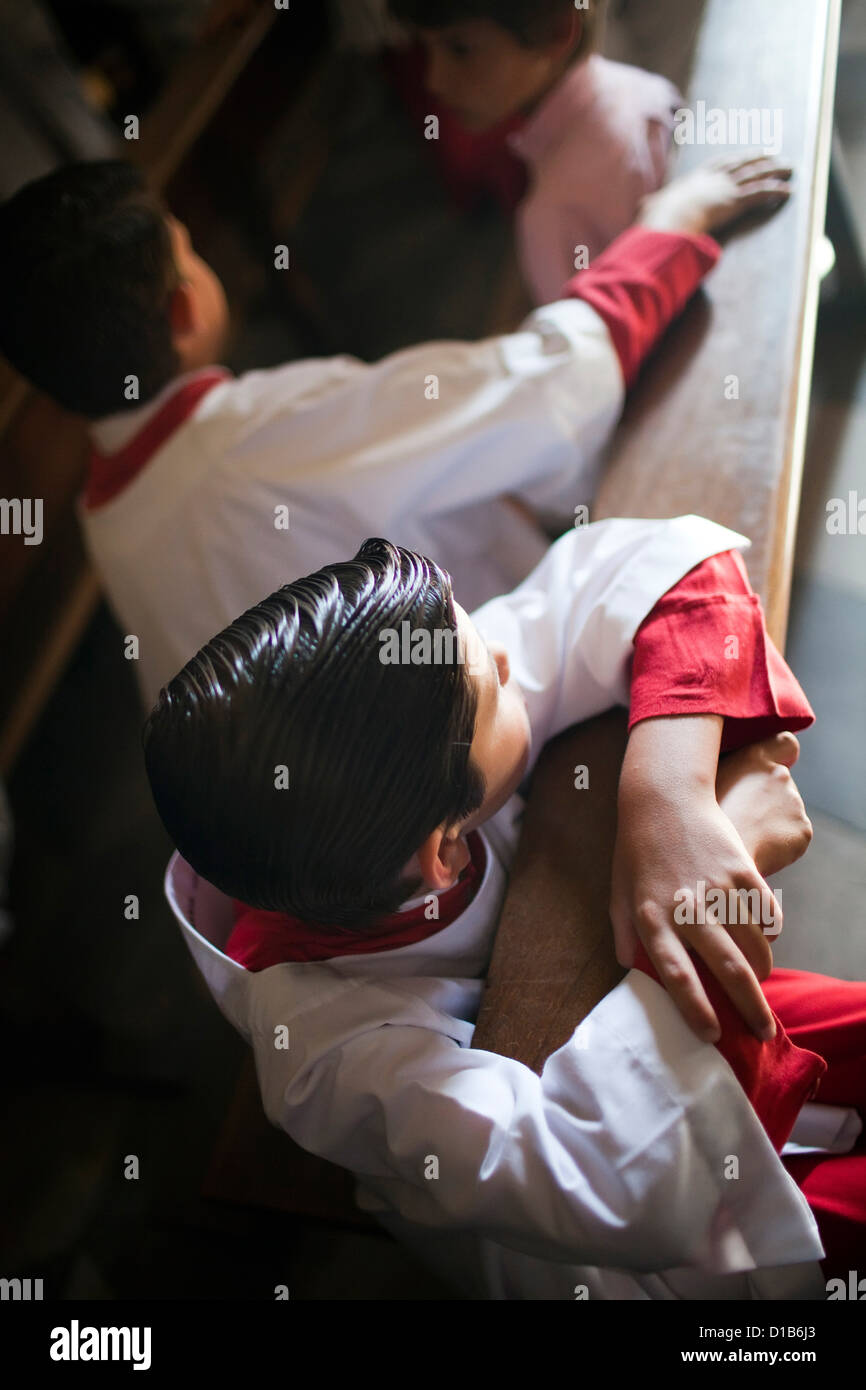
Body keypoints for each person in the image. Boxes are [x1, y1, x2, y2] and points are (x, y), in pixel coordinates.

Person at [144, 515, 864, 1299]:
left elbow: (659, 568)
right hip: (649, 1220)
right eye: (494, 687)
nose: (506, 655)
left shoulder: (402, 744)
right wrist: (737, 850)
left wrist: (674, 799)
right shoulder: (334, 1063)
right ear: (445, 853)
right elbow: (619, 1177)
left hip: (632, 992)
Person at [0, 154, 790, 706]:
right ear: (184, 310)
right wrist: (668, 223)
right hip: (506, 723)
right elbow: (546, 385)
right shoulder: (258, 434)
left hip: (367, 839)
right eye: (188, 251)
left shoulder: (109, 519)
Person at [387, 0, 683, 303]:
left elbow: (584, 344)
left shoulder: (551, 213)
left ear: (555, 31)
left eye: (460, 50)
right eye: (426, 49)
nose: (434, 81)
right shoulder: (642, 86)